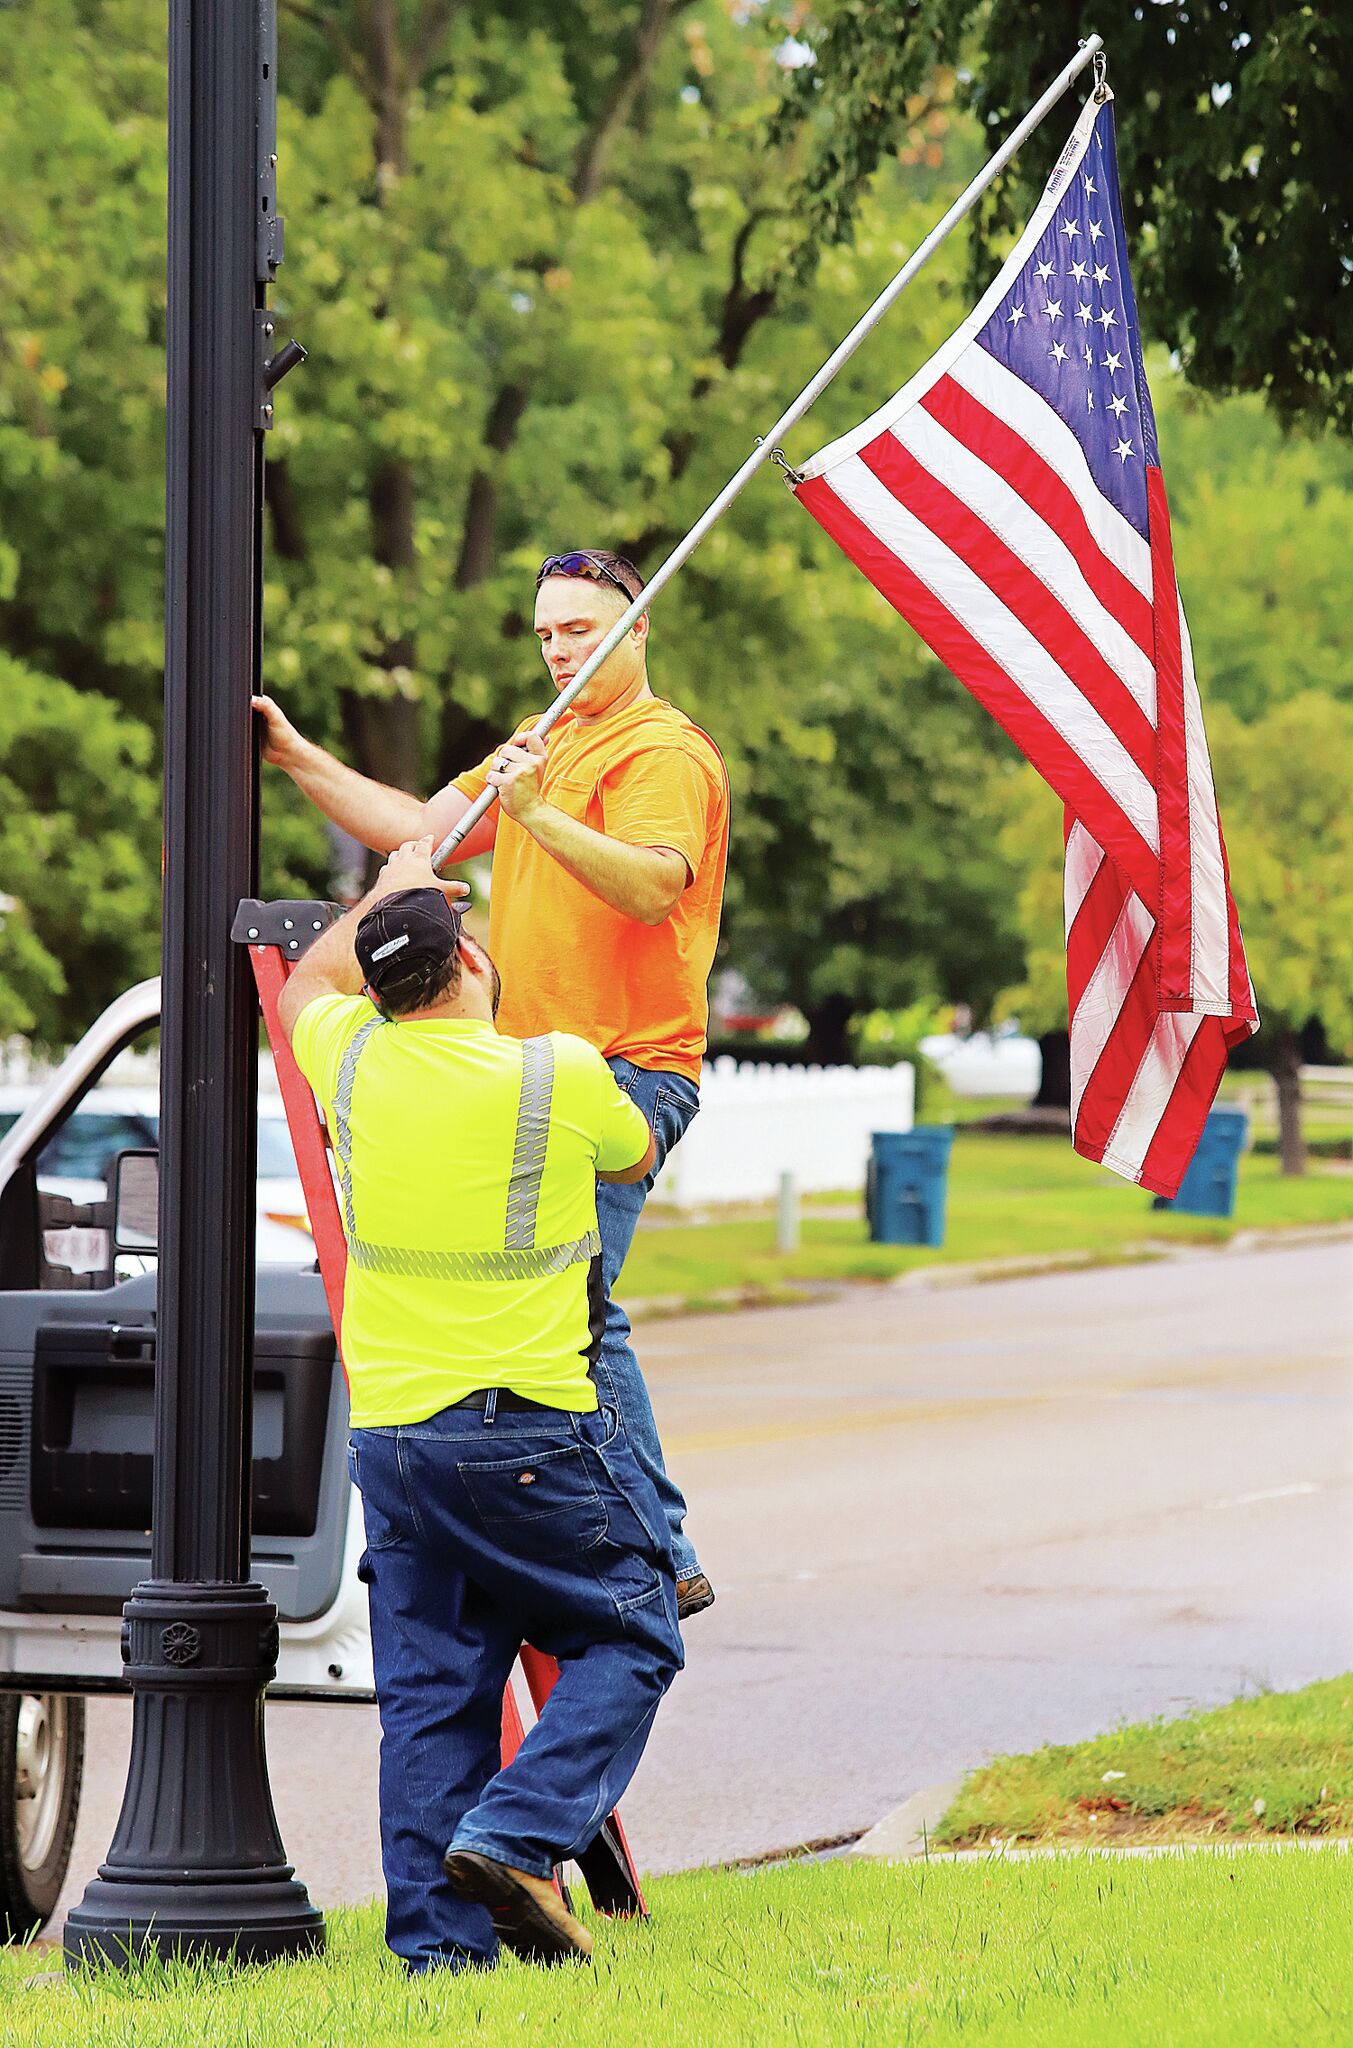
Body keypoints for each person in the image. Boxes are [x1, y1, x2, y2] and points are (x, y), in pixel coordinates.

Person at [254, 548, 729, 1614]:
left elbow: (654, 890)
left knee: (574, 1305)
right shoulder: (540, 739)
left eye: (581, 628)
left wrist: (539, 814)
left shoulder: (664, 753)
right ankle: (535, 1508)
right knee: (510, 1298)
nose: (561, 650)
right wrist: (294, 756)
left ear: (634, 626)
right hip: (514, 1068)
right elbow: (421, 826)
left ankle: (656, 1544)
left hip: (625, 1065)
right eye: (547, 632)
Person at [278, 836, 683, 1974]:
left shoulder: (348, 1058)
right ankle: (516, 1835)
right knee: (634, 1629)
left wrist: (388, 882)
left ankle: (438, 1960)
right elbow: (638, 1146)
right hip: (529, 1431)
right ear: (466, 956)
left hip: (396, 1442)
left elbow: (310, 981)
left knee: (430, 1699)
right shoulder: (553, 1070)